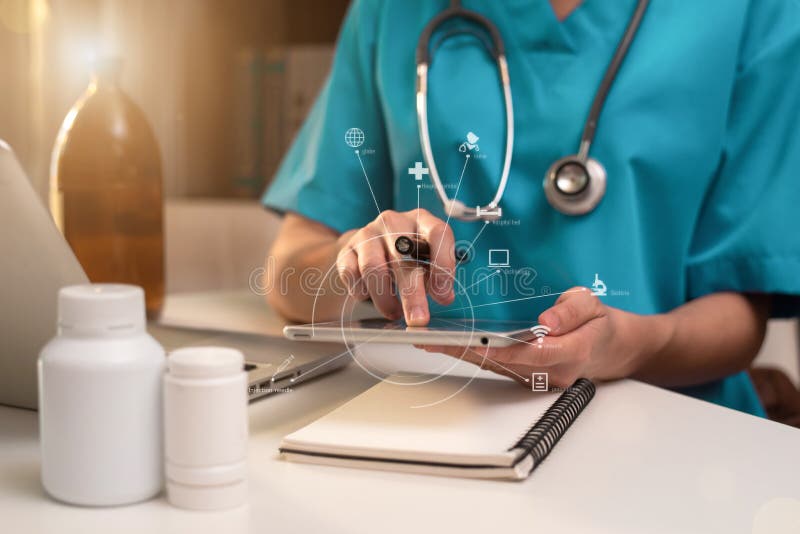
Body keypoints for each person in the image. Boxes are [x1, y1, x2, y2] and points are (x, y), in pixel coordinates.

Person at [261, 0, 800, 416]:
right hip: (431, 420)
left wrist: (632, 346)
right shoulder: (390, 11)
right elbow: (287, 276)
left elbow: (741, 314)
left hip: (670, 431)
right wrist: (356, 261)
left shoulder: (754, 12)